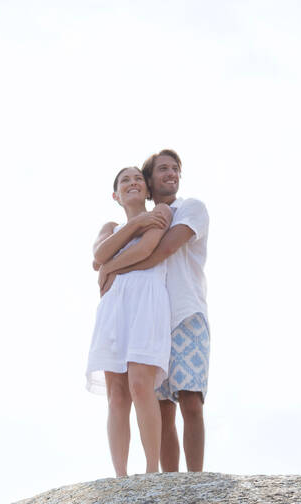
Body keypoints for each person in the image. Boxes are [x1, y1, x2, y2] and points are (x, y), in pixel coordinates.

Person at [97, 149, 209, 472]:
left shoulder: (188, 209)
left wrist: (112, 268)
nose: (171, 174)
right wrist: (107, 265)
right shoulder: (145, 218)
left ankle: (195, 481)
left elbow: (161, 251)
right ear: (150, 180)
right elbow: (98, 255)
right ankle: (168, 485)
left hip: (186, 313)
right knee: (161, 408)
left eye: (175, 169)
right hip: (151, 318)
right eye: (162, 169)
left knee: (190, 400)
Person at [85, 166, 173, 476]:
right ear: (116, 194)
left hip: (147, 300)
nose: (132, 182)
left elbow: (146, 249)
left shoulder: (160, 211)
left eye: (137, 178)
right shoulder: (110, 225)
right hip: (114, 307)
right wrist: (137, 223)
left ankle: (151, 471)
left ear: (147, 189)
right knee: (117, 392)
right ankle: (120, 476)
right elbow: (99, 254)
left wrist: (110, 269)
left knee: (139, 383)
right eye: (125, 180)